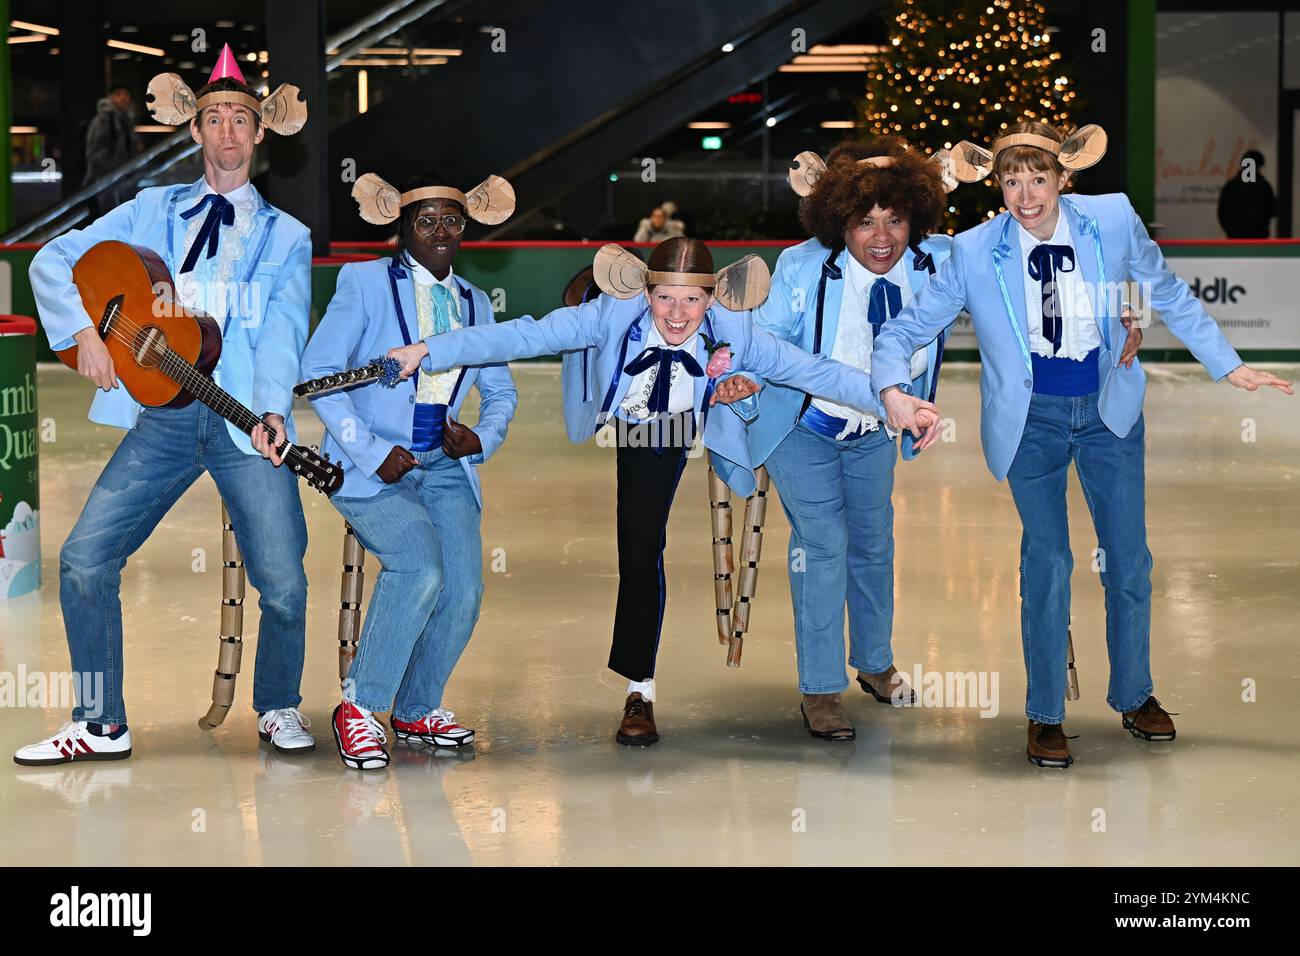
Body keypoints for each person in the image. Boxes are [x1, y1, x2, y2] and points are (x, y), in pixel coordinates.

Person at [386, 237, 930, 747]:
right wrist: (428, 350)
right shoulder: (611, 315)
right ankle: (638, 690)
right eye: (664, 298)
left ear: (712, 298)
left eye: (691, 300)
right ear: (645, 294)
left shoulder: (737, 332)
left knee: (828, 527)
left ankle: (846, 669)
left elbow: (818, 372)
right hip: (647, 423)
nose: (676, 313)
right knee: (641, 549)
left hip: (716, 416)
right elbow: (521, 334)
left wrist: (893, 400)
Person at [872, 121, 1292, 769]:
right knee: (1047, 562)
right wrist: (893, 388)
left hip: (1108, 410)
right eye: (1011, 180)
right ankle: (1045, 713)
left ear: (1064, 178)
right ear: (998, 185)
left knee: (1129, 559)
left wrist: (1227, 364)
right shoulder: (975, 251)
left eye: (1038, 178)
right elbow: (905, 329)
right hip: (1029, 419)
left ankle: (1135, 694)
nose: (1025, 193)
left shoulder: (1114, 220)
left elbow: (1164, 290)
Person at [16, 44, 316, 766]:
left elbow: (282, 332)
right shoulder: (153, 209)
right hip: (164, 419)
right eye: (214, 118)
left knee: (284, 583)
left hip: (244, 421)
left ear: (259, 132)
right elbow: (50, 259)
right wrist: (83, 332)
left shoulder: (289, 237)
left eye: (240, 119)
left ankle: (276, 705)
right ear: (195, 132)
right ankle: (100, 723)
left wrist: (272, 409)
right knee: (86, 559)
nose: (227, 133)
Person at [301, 170, 518, 770]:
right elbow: (320, 371)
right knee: (420, 567)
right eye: (427, 221)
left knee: (466, 590)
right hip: (368, 466)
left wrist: (479, 440)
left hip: (447, 465)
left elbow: (501, 394)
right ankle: (361, 707)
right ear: (402, 228)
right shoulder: (363, 282)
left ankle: (418, 707)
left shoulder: (476, 303)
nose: (442, 230)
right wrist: (370, 449)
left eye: (452, 219)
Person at [84, 81, 142, 213]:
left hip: (122, 178)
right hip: (108, 178)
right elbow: (95, 151)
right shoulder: (104, 120)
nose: (123, 98)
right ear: (110, 98)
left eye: (126, 94)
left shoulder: (127, 119)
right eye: (118, 94)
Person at [1217, 149, 1277, 239]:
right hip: (1259, 238)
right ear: (1259, 166)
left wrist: (1231, 230)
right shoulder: (1264, 186)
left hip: (1235, 237)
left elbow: (1222, 212)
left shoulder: (1230, 186)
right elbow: (1273, 210)